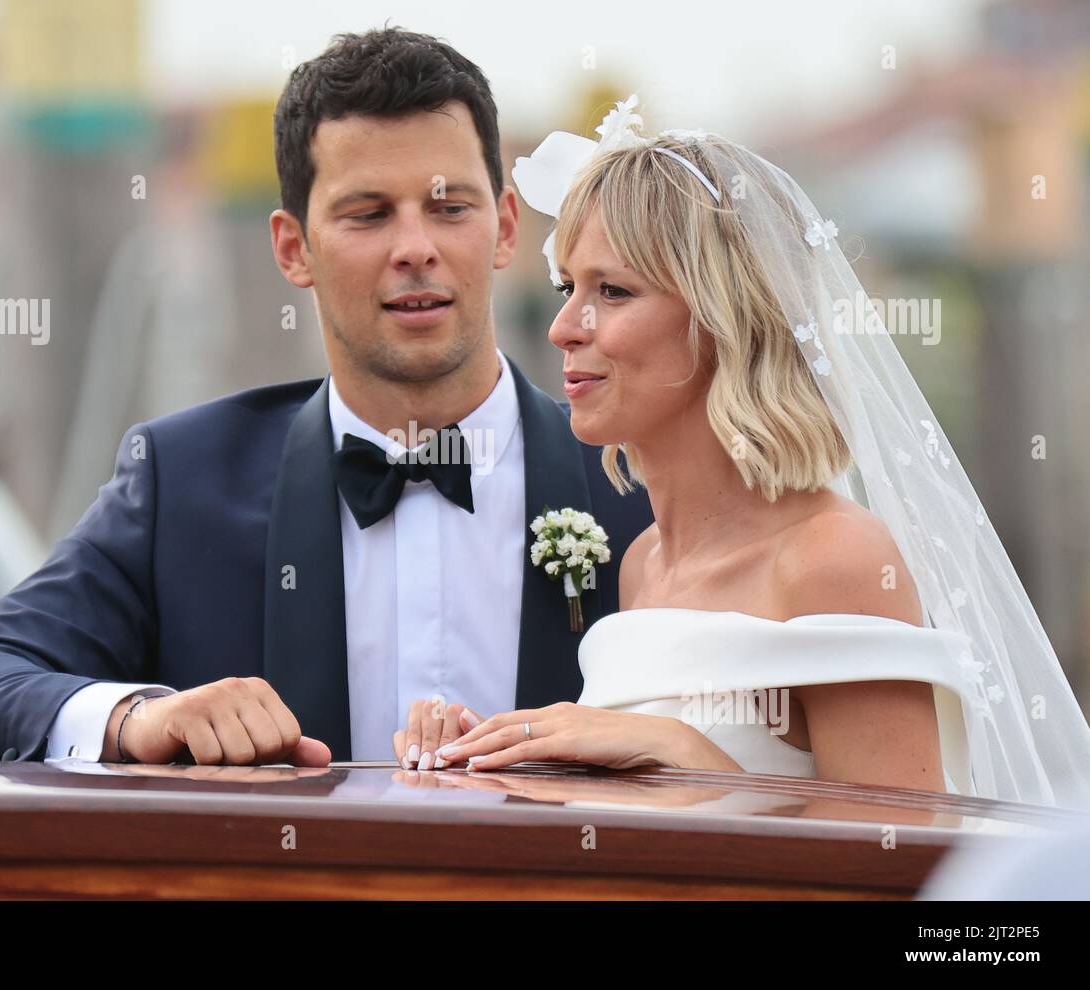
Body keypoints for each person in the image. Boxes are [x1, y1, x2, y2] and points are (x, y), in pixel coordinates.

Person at [0, 30, 654, 768]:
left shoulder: (645, 479)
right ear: (293, 248)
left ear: (506, 229)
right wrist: (141, 716)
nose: (416, 247)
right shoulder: (182, 481)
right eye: (368, 213)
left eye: (450, 207)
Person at [427, 96, 1090, 809]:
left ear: (723, 322)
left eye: (612, 291)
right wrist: (480, 754)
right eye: (568, 288)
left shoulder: (833, 558)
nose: (563, 327)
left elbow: (905, 864)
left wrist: (694, 759)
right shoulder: (643, 564)